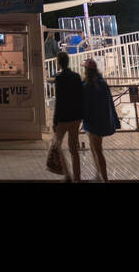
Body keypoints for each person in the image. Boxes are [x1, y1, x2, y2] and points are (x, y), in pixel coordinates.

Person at [80, 58, 118, 182]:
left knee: (97, 149)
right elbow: (110, 103)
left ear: (86, 70)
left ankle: (104, 178)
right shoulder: (102, 83)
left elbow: (84, 104)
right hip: (102, 120)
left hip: (92, 122)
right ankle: (98, 174)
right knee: (94, 147)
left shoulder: (87, 85)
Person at [50, 51, 83, 182]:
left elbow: (59, 100)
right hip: (75, 117)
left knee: (57, 145)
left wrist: (54, 120)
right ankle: (77, 178)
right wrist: (81, 115)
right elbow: (81, 97)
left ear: (59, 63)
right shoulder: (76, 76)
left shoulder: (59, 78)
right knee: (74, 149)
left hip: (63, 118)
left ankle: (67, 174)